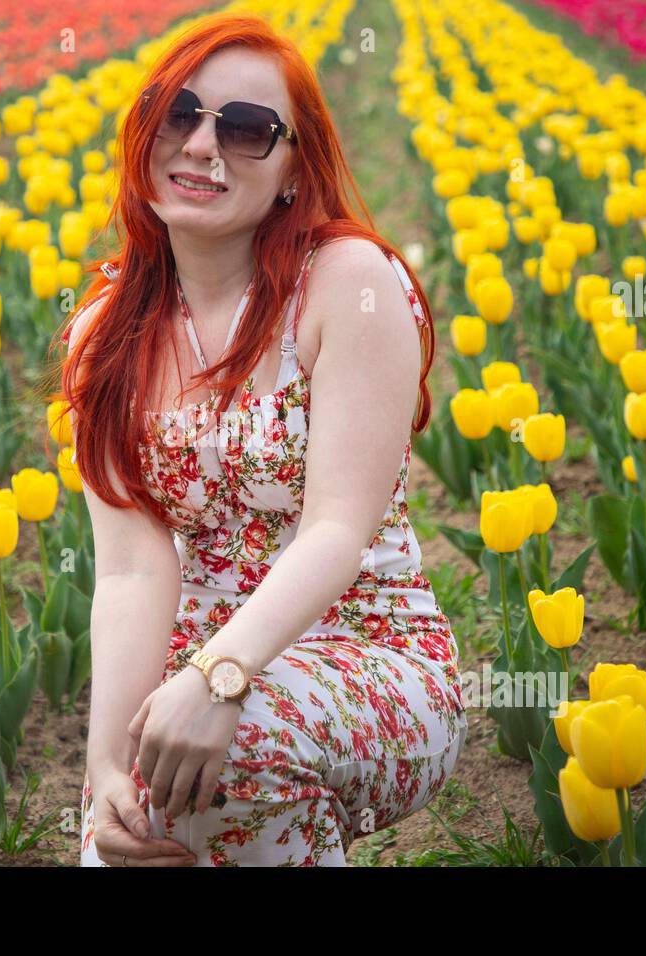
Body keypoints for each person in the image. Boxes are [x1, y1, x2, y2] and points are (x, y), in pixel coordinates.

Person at [56, 11, 467, 867]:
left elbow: (335, 530)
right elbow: (133, 569)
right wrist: (101, 773)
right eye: (179, 112)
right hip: (194, 674)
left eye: (246, 130)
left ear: (291, 170)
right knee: (130, 821)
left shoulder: (349, 286)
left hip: (366, 654)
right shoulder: (104, 330)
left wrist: (220, 675)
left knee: (227, 751)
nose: (204, 144)